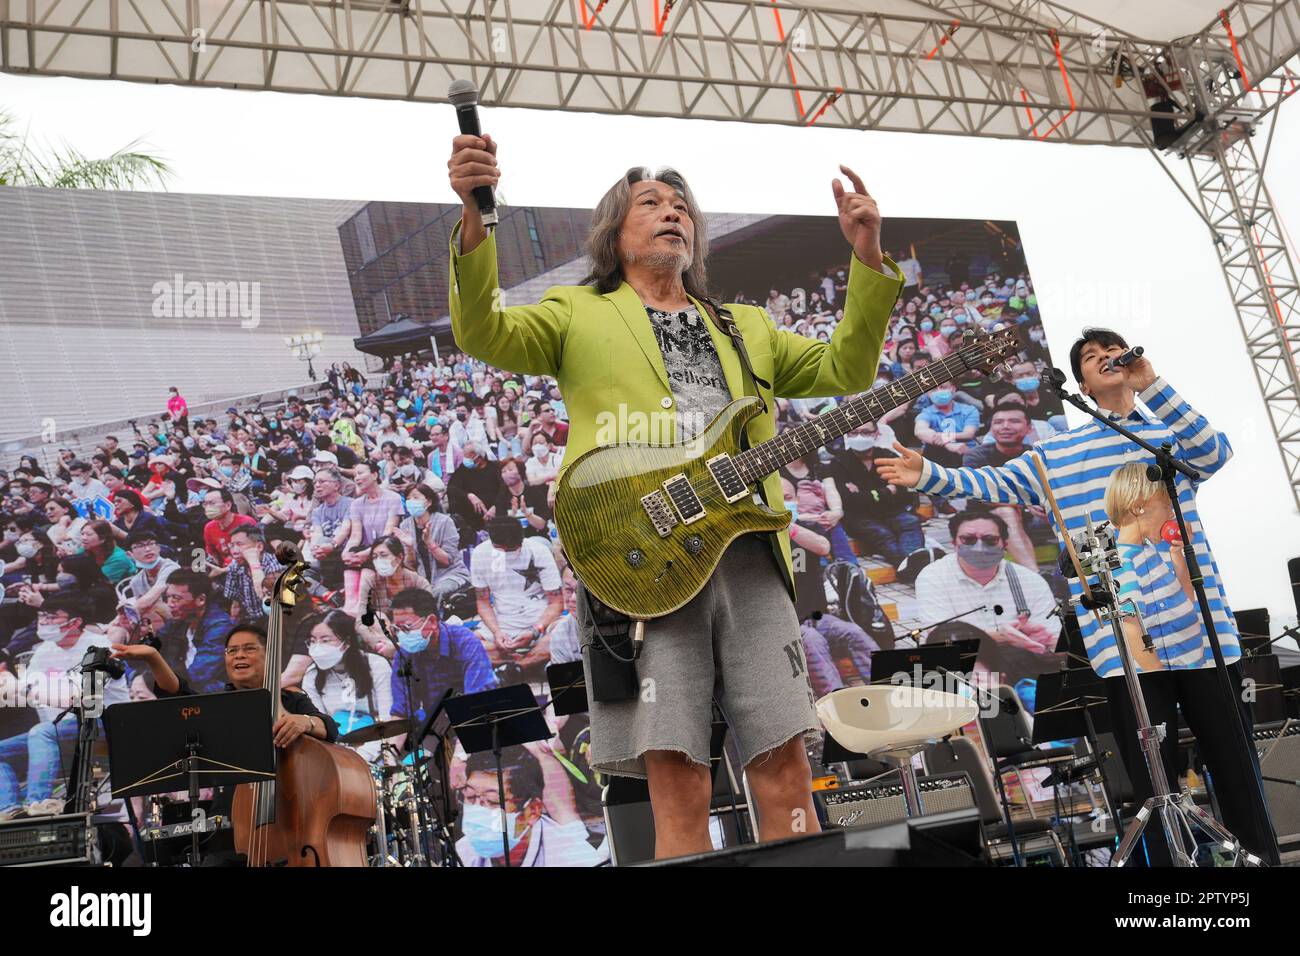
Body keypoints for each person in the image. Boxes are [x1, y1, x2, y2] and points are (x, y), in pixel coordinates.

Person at [448, 135, 902, 856]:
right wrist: (476, 220)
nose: (672, 213)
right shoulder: (576, 311)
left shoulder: (744, 324)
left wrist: (867, 257)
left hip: (750, 559)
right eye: (651, 204)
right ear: (613, 235)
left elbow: (847, 367)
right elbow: (482, 330)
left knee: (785, 757)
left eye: (681, 205)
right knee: (677, 773)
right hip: (646, 566)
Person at [877, 327, 1277, 865]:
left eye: (1114, 351)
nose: (1107, 358)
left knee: (1236, 774)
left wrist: (1152, 384)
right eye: (1091, 357)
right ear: (1083, 386)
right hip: (1126, 645)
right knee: (1154, 787)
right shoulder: (1058, 454)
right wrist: (927, 472)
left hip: (1202, 632)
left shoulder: (1166, 435)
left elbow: (1213, 452)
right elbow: (994, 485)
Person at [0, 592, 128, 815]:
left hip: (106, 723)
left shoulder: (100, 648)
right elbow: (19, 693)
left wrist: (26, 688)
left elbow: (80, 698)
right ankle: (9, 808)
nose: (44, 623)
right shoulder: (44, 650)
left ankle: (39, 804)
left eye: (51, 618)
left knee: (41, 732)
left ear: (75, 622)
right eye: (42, 617)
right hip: (62, 730)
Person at [913, 511, 1061, 682]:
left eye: (990, 540)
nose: (979, 547)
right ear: (954, 543)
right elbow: (940, 642)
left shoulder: (1030, 580)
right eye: (968, 539)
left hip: (1021, 666)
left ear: (1005, 544)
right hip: (964, 669)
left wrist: (1046, 643)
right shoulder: (933, 577)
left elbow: (1052, 639)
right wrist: (1001, 637)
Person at [456, 744, 598, 867]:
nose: (478, 810)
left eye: (493, 801)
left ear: (533, 810)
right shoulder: (463, 853)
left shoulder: (573, 859)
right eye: (470, 796)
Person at [388, 588, 497, 724]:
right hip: (438, 730)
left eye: (407, 627)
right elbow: (401, 714)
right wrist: (392, 745)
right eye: (396, 629)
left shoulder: (465, 643)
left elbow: (477, 704)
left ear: (432, 621)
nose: (402, 635)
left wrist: (463, 743)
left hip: (476, 722)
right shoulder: (404, 654)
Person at [299, 610, 392, 762]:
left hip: (374, 750)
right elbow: (319, 725)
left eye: (325, 640)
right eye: (313, 640)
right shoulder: (311, 675)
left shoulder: (376, 665)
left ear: (346, 642)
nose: (317, 647)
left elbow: (388, 720)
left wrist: (363, 756)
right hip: (336, 754)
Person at [471, 517, 562, 672]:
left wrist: (535, 630)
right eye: (500, 549)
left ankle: (516, 666)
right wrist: (497, 632)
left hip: (539, 619)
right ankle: (526, 662)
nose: (506, 554)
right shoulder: (481, 553)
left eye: (511, 550)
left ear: (521, 541)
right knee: (468, 644)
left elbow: (556, 602)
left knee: (561, 635)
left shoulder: (538, 551)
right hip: (502, 621)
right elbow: (483, 602)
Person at [148, 570, 234, 695]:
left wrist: (151, 679)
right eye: (167, 598)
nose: (169, 604)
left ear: (201, 600)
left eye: (176, 598)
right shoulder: (178, 622)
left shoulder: (220, 626)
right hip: (183, 689)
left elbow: (198, 674)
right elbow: (152, 652)